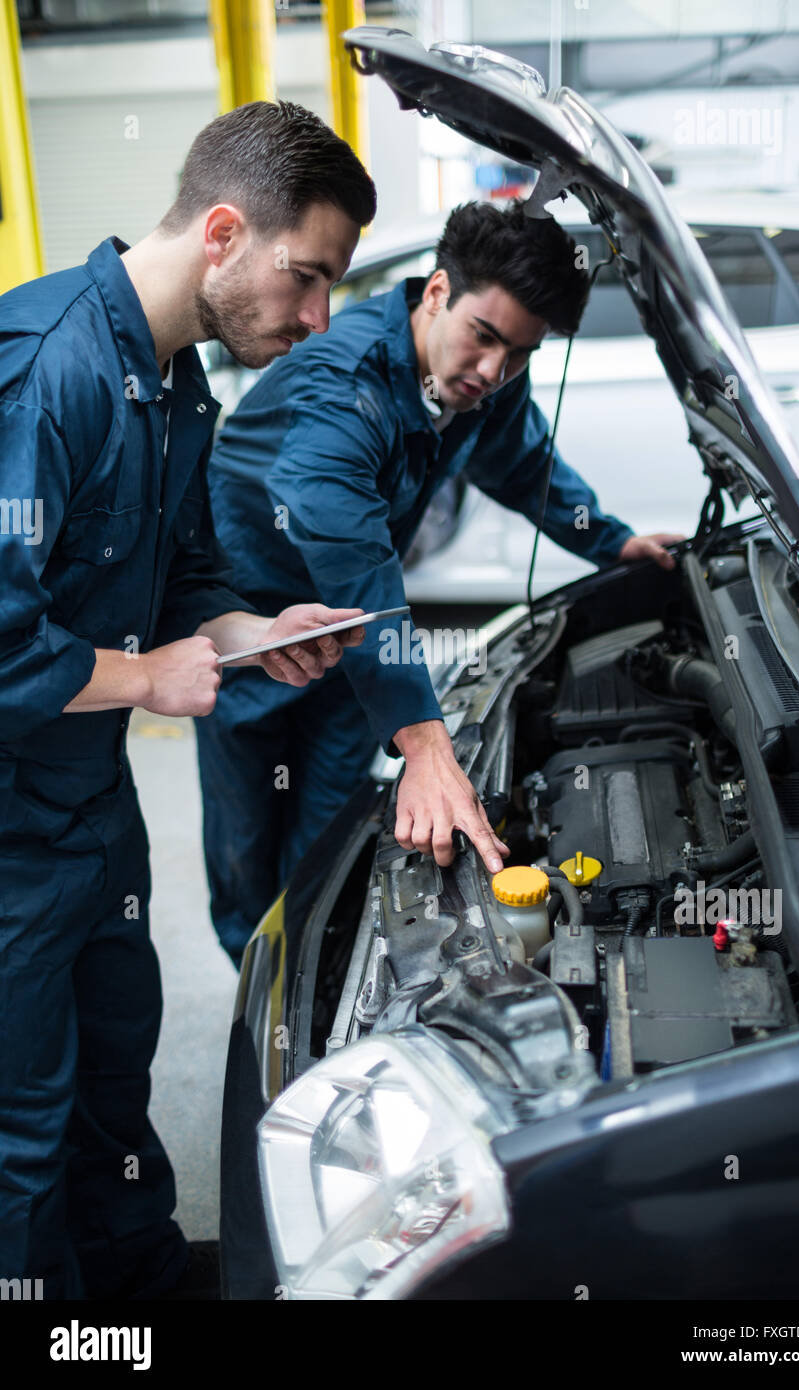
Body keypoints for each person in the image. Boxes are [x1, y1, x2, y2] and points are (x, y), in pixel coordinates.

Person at [0, 99, 376, 1301]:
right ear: (223, 232)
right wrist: (148, 680)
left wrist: (254, 635)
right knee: (22, 1133)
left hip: (87, 811)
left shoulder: (173, 384)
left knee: (116, 1090)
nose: (317, 318)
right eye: (306, 276)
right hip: (8, 835)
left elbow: (188, 582)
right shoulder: (45, 375)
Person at [197, 198, 683, 969]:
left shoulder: (483, 379)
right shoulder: (342, 380)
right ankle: (260, 995)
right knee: (246, 844)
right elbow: (355, 559)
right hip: (247, 630)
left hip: (346, 643)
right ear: (434, 293)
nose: (494, 371)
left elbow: (524, 464)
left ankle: (313, 967)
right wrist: (423, 741)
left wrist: (613, 542)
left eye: (520, 354)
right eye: (484, 336)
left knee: (328, 827)